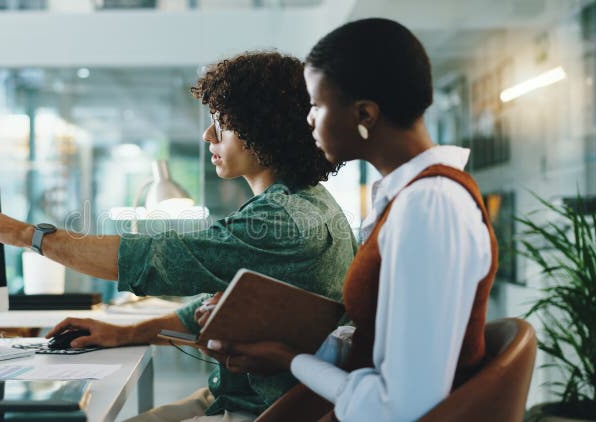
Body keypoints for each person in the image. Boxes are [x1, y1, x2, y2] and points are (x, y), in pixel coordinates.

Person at [0, 51, 357, 421]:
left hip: (263, 410)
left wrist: (27, 235)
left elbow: (154, 258)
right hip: (249, 398)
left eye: (222, 123)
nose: (208, 136)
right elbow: (226, 306)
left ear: (261, 131)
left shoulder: (282, 220)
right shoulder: (308, 203)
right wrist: (124, 332)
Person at [205, 19, 498, 421]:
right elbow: (379, 349)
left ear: (364, 114)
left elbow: (399, 407)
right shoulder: (409, 198)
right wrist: (285, 351)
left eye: (317, 106)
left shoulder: (429, 206)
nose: (307, 120)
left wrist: (292, 360)